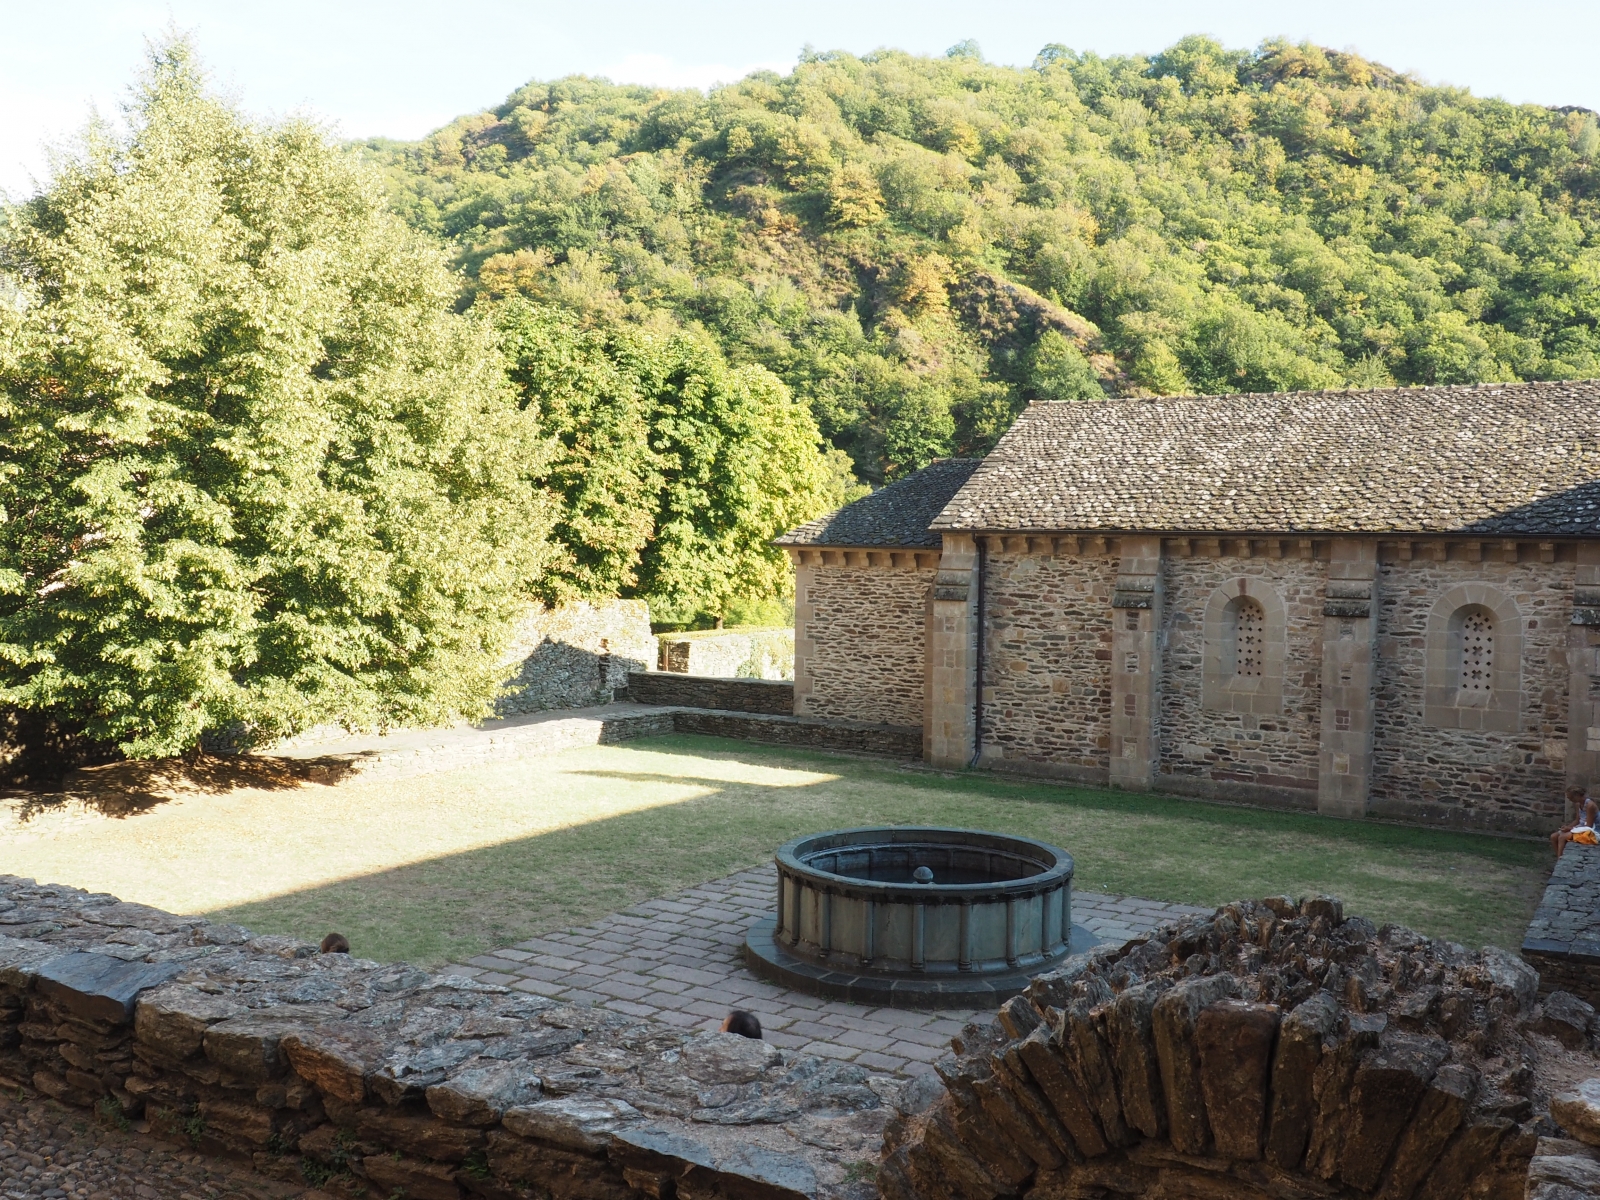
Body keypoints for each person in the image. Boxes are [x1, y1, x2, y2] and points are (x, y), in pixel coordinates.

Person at [1553, 786, 1597, 858]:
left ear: (1577, 796)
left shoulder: (1590, 805)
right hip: (1581, 827)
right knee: (1554, 837)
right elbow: (1577, 820)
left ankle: (1560, 859)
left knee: (1562, 837)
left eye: (1571, 798)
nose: (1570, 800)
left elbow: (1589, 826)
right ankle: (1559, 857)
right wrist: (1568, 827)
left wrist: (1570, 829)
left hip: (1591, 830)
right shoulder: (1578, 804)